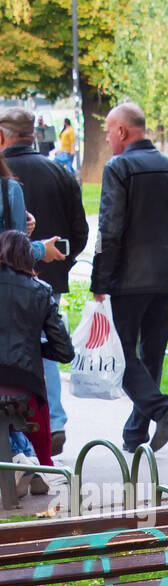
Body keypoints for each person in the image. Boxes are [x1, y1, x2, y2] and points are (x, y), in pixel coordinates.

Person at [90, 102, 168, 455]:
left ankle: (162, 408)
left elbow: (109, 229)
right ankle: (136, 434)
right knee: (152, 356)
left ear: (122, 131)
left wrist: (99, 280)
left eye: (108, 130)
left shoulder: (118, 167)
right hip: (165, 276)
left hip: (128, 279)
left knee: (119, 356)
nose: (106, 137)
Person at [0, 108, 79, 453]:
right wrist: (44, 252)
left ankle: (23, 455)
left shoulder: (13, 187)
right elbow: (78, 228)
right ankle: (39, 440)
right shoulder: (53, 173)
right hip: (27, 287)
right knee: (30, 355)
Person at [0, 230, 73, 496]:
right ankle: (36, 464)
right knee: (32, 410)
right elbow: (64, 351)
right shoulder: (40, 291)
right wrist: (32, 345)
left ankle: (24, 461)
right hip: (25, 382)